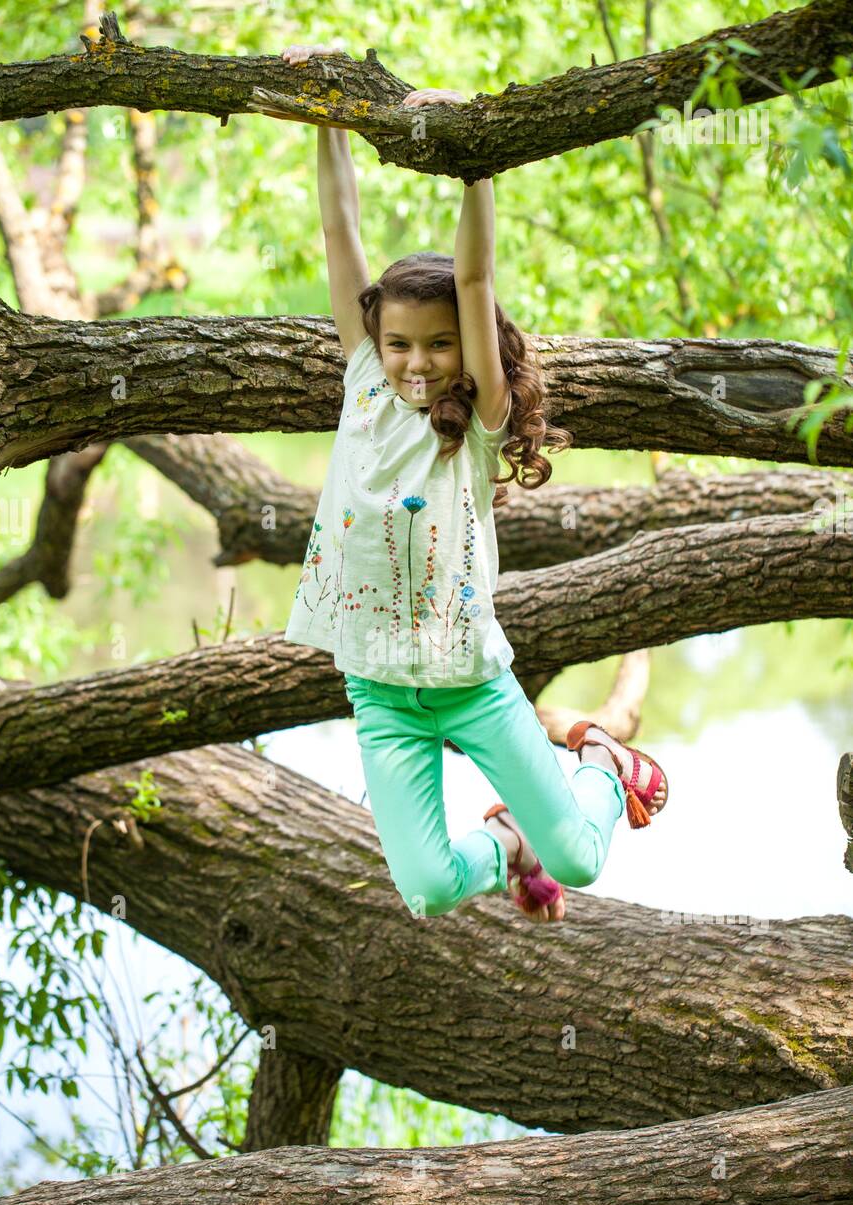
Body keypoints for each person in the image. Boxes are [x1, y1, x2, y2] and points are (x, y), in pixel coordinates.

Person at [268, 45, 669, 924]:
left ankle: (603, 763)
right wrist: (327, 118)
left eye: (438, 344)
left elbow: (476, 277)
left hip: (470, 680)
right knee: (428, 887)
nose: (417, 362)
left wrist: (474, 163)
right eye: (402, 343)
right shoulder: (365, 380)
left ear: (469, 347)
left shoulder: (477, 418)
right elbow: (341, 233)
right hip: (378, 690)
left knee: (584, 858)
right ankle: (510, 846)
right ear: (378, 342)